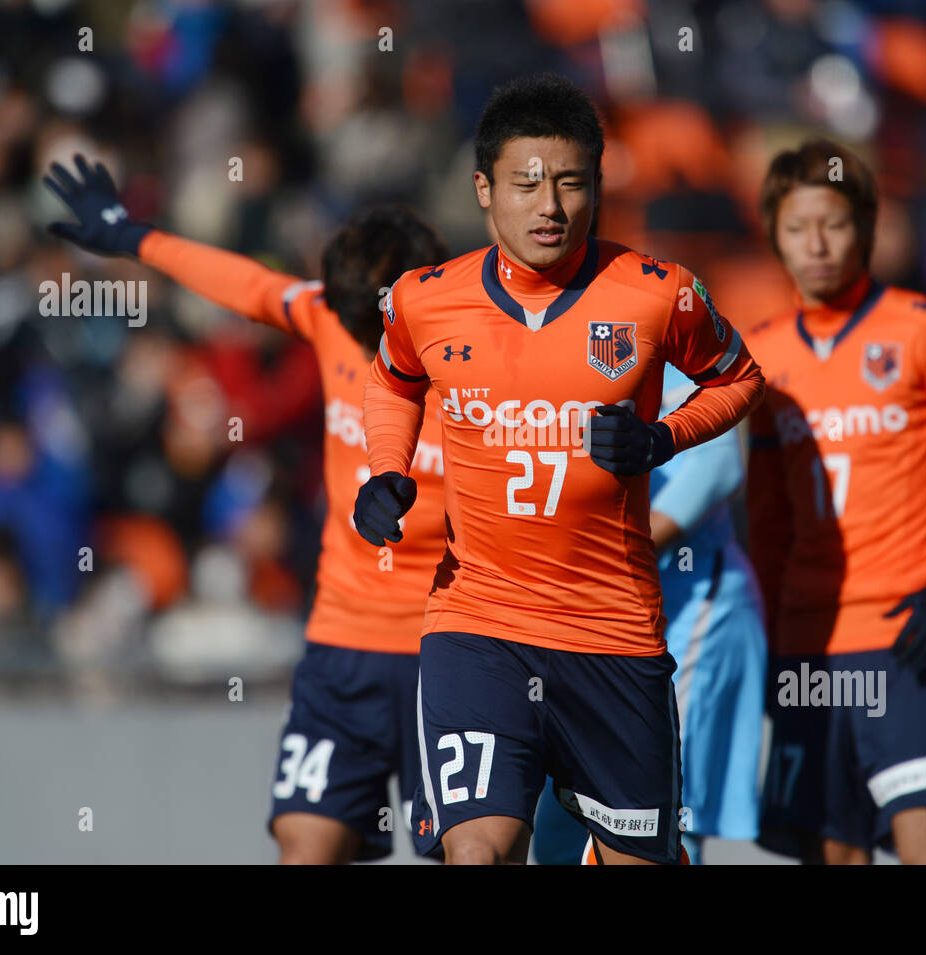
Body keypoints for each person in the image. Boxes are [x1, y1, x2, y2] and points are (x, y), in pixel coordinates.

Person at [354, 73, 765, 865]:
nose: (550, 205)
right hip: (479, 627)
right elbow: (392, 379)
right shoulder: (423, 301)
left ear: (599, 187)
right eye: (527, 183)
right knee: (479, 851)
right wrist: (385, 470)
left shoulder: (658, 294)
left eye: (572, 183)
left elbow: (740, 377)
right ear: (484, 189)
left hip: (613, 634)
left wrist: (662, 438)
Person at [44, 156, 449, 863]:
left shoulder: (483, 367)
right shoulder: (336, 317)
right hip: (339, 647)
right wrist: (138, 238)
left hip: (451, 655)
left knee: (468, 850)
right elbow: (248, 285)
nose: (359, 342)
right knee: (304, 842)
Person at [745, 139, 926, 865]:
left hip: (907, 634)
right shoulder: (761, 359)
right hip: (806, 642)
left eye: (834, 223)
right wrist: (770, 631)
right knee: (833, 854)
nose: (817, 244)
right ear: (774, 237)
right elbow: (769, 519)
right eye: (797, 226)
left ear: (866, 230)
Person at [530, 362, 767, 865]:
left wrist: (599, 556)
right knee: (559, 817)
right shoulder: (550, 347)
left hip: (691, 609)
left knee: (668, 818)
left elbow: (720, 467)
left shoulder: (673, 352)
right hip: (584, 615)